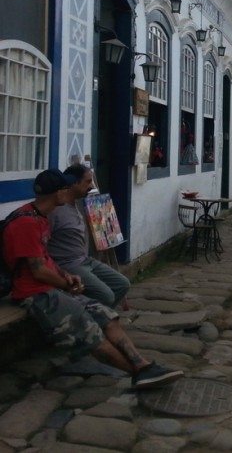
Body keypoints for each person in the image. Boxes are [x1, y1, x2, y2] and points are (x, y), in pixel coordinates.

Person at [2, 168, 183, 389]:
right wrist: (66, 283)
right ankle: (139, 372)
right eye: (65, 189)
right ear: (58, 193)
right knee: (89, 331)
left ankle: (142, 364)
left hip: (50, 286)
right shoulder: (26, 223)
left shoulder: (39, 217)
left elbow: (46, 259)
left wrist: (64, 275)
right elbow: (38, 271)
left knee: (106, 315)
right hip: (35, 294)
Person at [48, 164, 130, 308]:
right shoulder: (55, 211)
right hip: (68, 264)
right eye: (87, 181)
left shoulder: (75, 205)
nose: (92, 186)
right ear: (73, 183)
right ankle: (87, 321)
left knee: (122, 284)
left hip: (85, 260)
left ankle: (100, 319)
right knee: (106, 295)